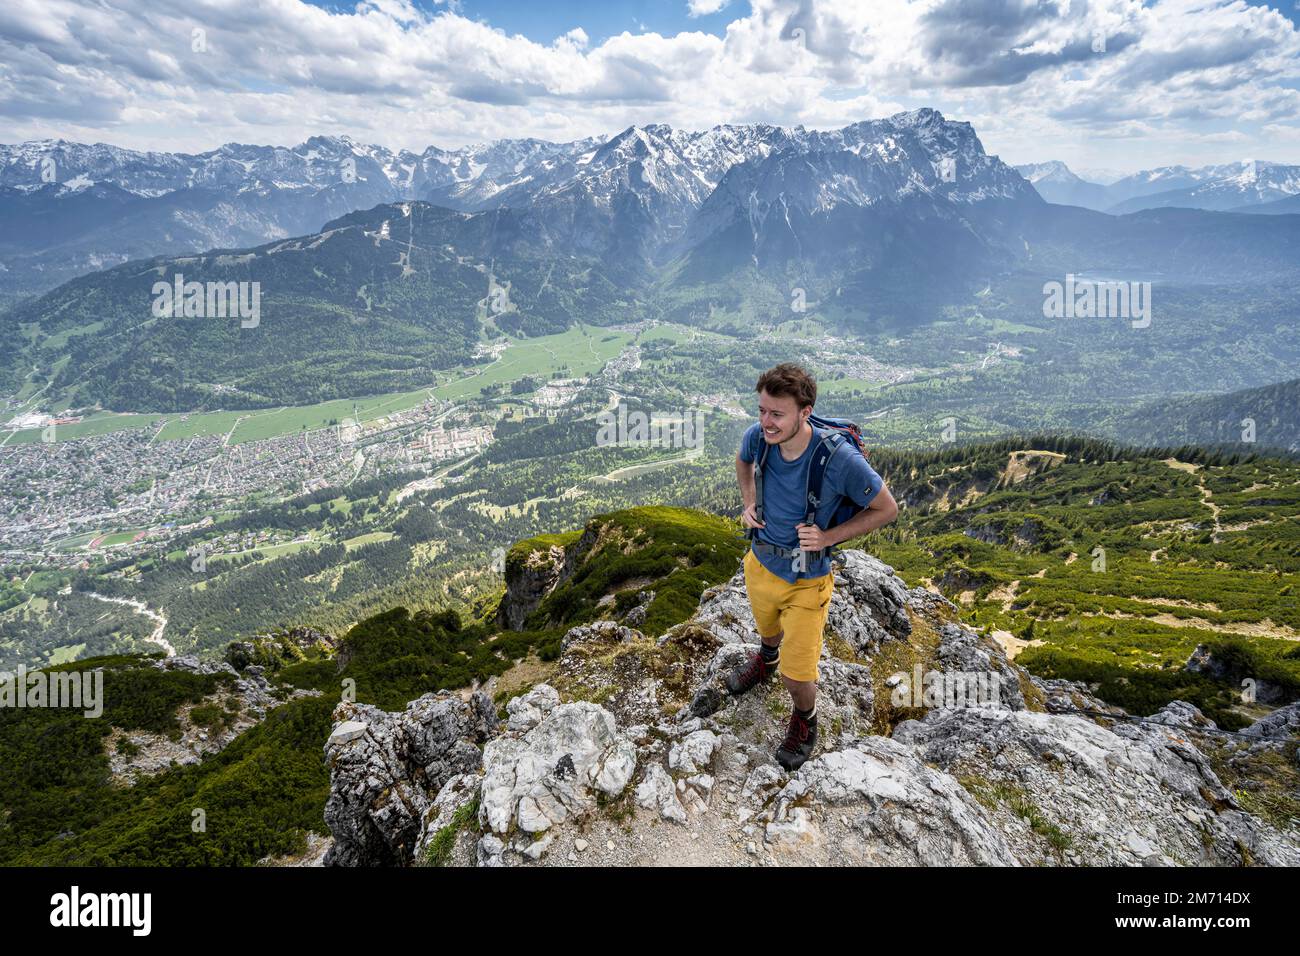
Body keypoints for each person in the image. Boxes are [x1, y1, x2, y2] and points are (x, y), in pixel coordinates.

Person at [730, 363, 898, 770]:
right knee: (768, 631)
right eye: (762, 411)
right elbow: (742, 460)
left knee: (797, 674)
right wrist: (748, 501)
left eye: (776, 414)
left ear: (805, 412)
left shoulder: (837, 459)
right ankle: (766, 657)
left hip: (808, 579)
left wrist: (827, 538)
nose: (766, 422)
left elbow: (886, 509)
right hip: (761, 562)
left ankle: (805, 719)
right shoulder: (761, 438)